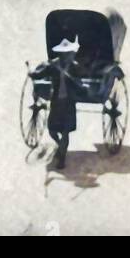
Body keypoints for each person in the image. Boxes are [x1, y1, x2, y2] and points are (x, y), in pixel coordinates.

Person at [46, 37, 81, 169]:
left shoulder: (74, 67)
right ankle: (61, 147)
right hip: (56, 103)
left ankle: (62, 158)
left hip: (68, 103)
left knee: (65, 132)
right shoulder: (54, 64)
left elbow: (79, 82)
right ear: (61, 53)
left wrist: (76, 83)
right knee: (52, 130)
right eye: (65, 53)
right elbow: (42, 72)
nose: (67, 55)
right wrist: (33, 73)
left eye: (69, 53)